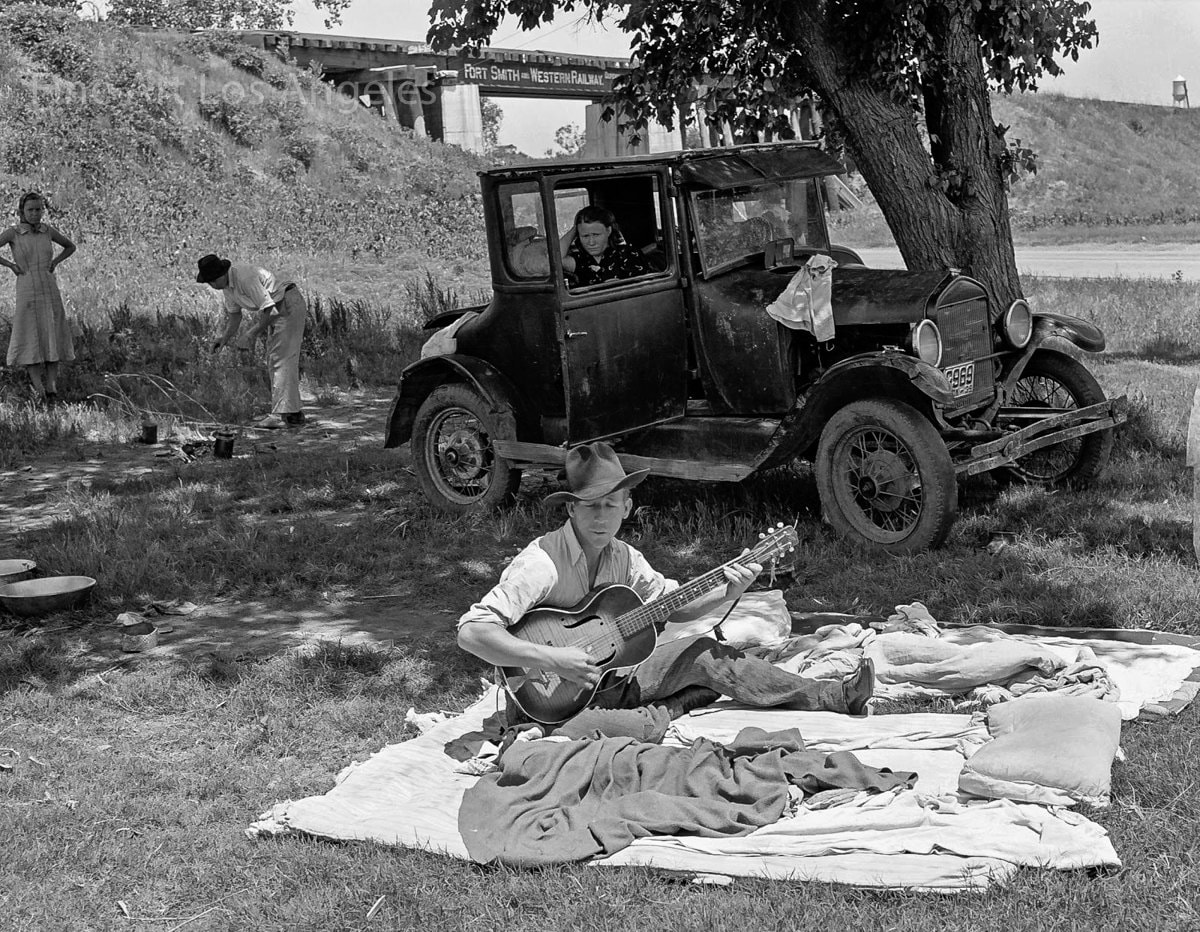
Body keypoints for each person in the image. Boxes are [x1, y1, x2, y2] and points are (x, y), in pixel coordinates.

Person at [457, 441, 874, 733]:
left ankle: (835, 696)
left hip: (614, 681)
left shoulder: (625, 557)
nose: (600, 517)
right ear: (570, 507)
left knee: (709, 656)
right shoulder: (541, 563)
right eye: (589, 506)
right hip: (547, 704)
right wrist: (552, 657)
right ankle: (669, 708)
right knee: (623, 734)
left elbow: (670, 605)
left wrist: (730, 590)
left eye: (610, 505)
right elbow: (472, 633)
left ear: (627, 507)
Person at [195, 254, 307, 429]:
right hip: (278, 306)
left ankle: (279, 416)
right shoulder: (227, 287)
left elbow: (271, 310)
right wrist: (223, 339)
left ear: (221, 275)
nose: (211, 285)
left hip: (288, 303)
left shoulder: (245, 278)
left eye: (211, 281)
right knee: (277, 359)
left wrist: (250, 334)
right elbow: (235, 316)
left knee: (281, 359)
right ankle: (293, 413)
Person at [1, 192, 76, 404]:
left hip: (48, 286)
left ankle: (52, 386)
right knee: (29, 334)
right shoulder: (14, 233)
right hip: (26, 286)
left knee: (51, 331)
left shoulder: (47, 231)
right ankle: (39, 388)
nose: (35, 214)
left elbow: (70, 246)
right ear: (22, 212)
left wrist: (56, 261)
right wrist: (10, 265)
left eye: (38, 209)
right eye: (30, 210)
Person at [560, 206, 649, 288]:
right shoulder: (580, 259)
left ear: (608, 231)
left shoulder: (628, 253)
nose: (591, 242)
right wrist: (575, 228)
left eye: (596, 235)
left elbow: (644, 288)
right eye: (585, 236)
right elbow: (554, 260)